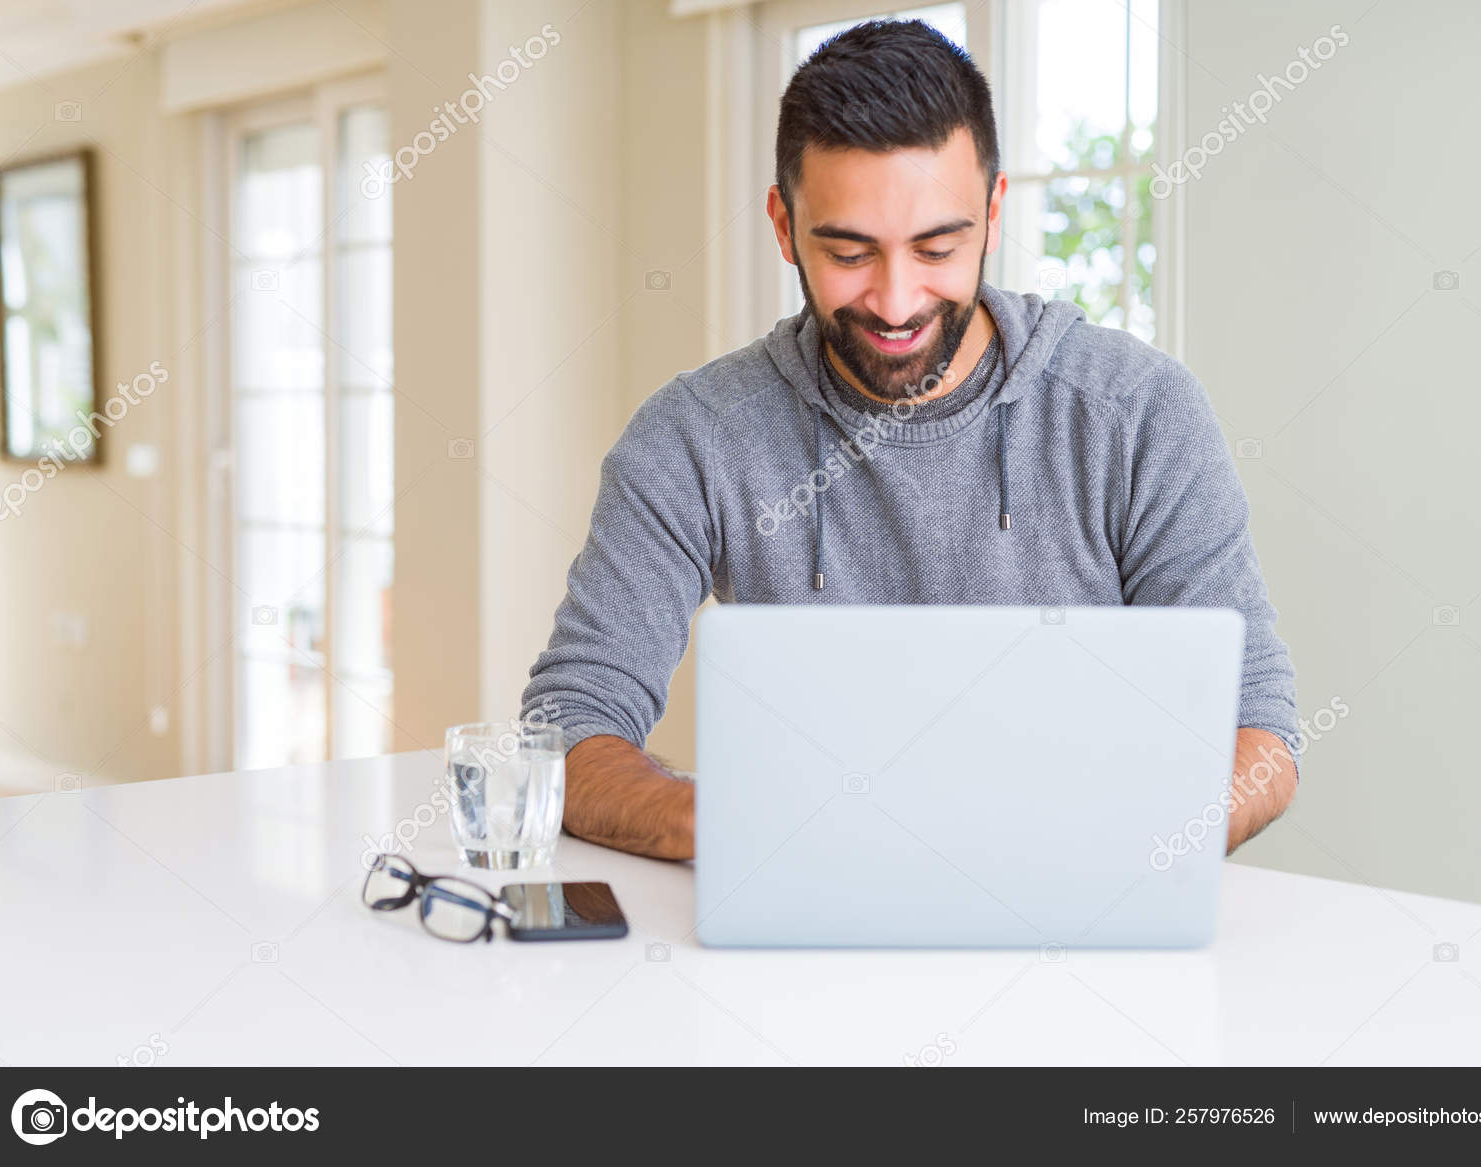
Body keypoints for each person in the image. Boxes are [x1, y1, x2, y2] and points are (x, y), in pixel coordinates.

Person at [521, 19, 1299, 862]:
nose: (895, 301)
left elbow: (1258, 729)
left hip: (1079, 916)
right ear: (784, 227)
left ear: (994, 214)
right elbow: (568, 722)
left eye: (937, 247)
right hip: (803, 919)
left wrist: (1101, 855)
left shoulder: (1137, 414)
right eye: (850, 252)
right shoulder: (695, 437)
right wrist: (727, 824)